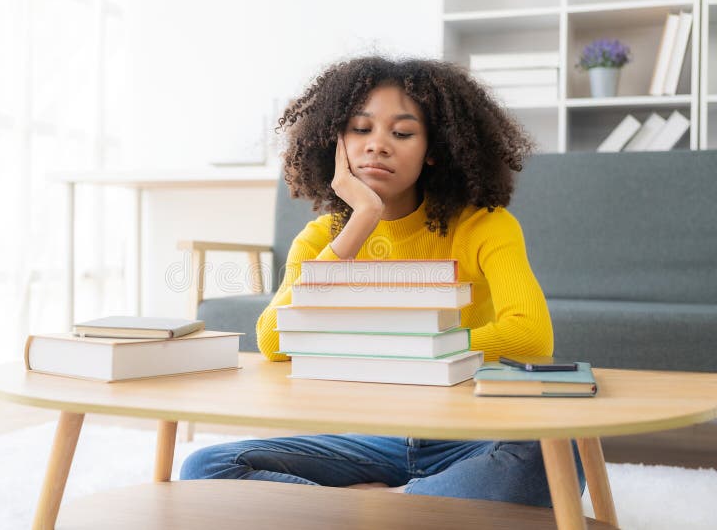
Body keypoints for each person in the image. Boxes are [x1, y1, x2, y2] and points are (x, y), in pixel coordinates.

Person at [180, 56, 584, 505]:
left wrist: (409, 351)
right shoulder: (321, 239)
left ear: (433, 149)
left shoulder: (486, 226)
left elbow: (532, 336)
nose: (378, 145)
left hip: (472, 434)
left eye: (402, 133)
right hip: (372, 440)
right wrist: (361, 221)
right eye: (360, 129)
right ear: (336, 142)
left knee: (552, 458)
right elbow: (273, 341)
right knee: (205, 467)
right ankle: (409, 505)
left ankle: (373, 506)